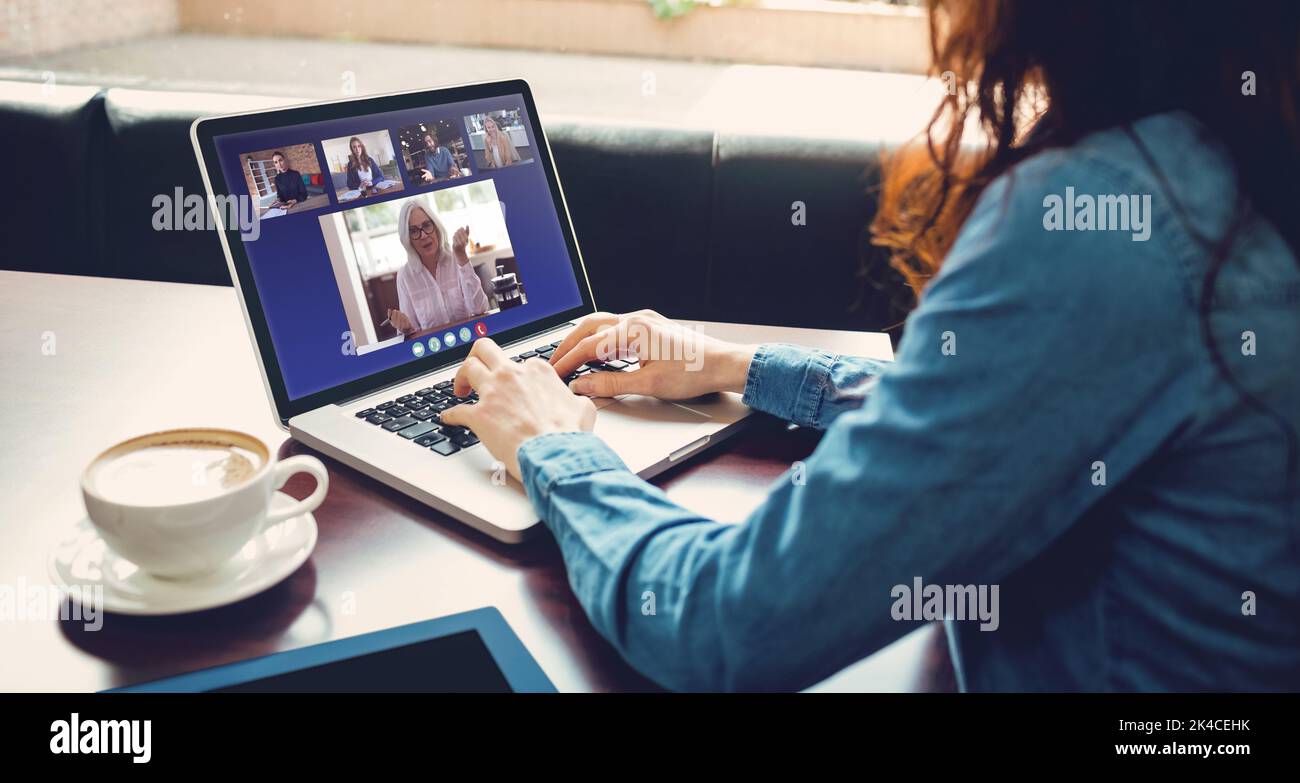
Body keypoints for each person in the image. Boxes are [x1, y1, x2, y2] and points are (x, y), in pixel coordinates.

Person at [439, 0, 1300, 692]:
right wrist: (738, 366)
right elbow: (1016, 412)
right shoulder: (1239, 161)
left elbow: (722, 626)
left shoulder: (1105, 219)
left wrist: (554, 448)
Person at [386, 198, 490, 335]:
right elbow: (411, 333)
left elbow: (479, 309)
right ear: (408, 239)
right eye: (414, 231)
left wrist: (462, 256)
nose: (423, 236)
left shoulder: (456, 259)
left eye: (427, 225)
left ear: (436, 227)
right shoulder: (405, 276)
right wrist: (405, 328)